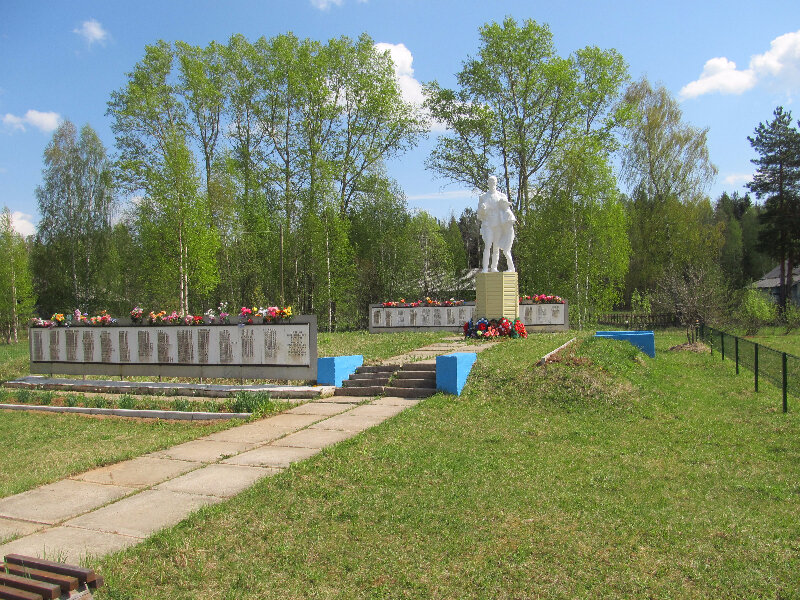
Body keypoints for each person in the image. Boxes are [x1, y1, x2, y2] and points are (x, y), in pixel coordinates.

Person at [477, 175, 516, 272]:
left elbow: (506, 210)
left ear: (496, 183)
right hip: (488, 224)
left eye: (493, 182)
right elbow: (479, 213)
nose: (492, 184)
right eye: (490, 182)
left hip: (498, 225)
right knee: (487, 246)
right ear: (488, 183)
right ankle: (485, 268)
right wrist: (482, 209)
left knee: (496, 247)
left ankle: (494, 267)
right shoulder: (483, 197)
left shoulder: (501, 196)